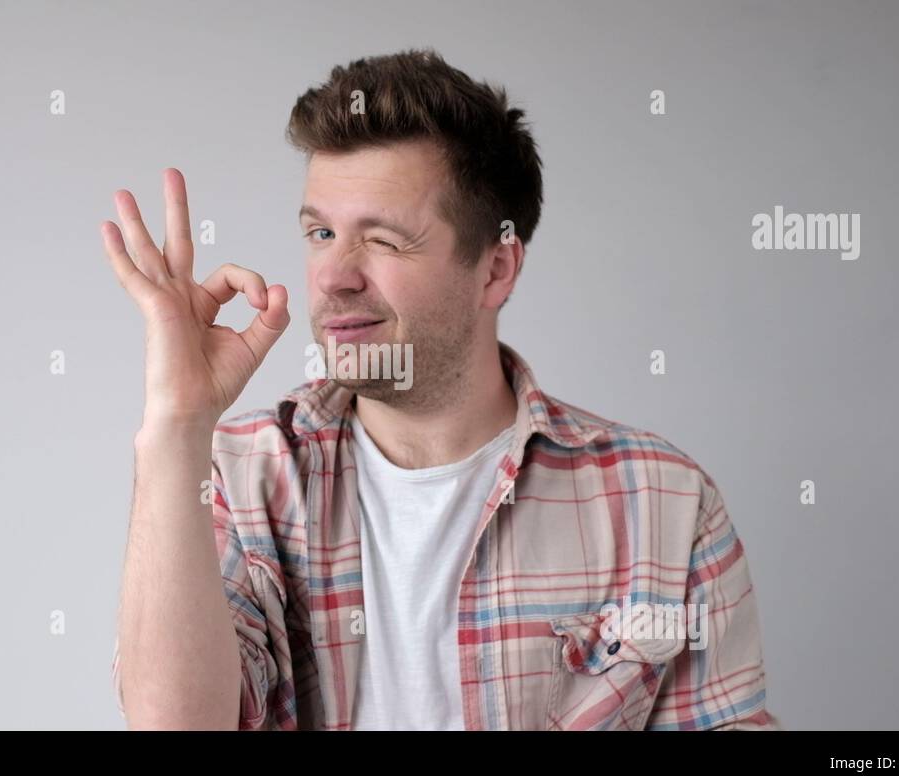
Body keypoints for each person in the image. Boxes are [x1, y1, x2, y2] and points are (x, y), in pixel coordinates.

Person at [103, 48, 778, 730]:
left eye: (385, 241)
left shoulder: (662, 501)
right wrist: (178, 423)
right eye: (321, 232)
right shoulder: (243, 477)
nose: (334, 275)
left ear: (495, 270)